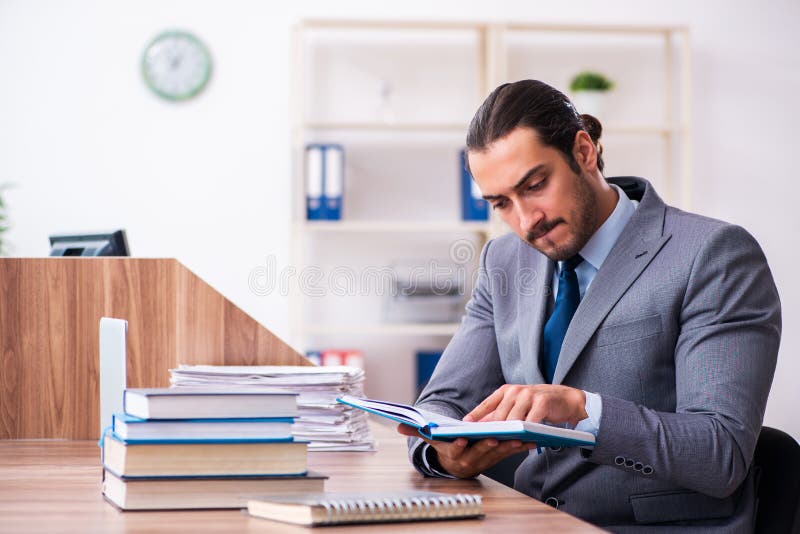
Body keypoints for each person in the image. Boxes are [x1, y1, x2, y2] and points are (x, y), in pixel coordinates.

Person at [399, 79, 781, 532]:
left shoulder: (713, 254)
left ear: (584, 152)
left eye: (536, 185)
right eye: (501, 203)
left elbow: (720, 453)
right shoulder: (503, 261)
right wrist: (443, 454)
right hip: (529, 522)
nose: (525, 220)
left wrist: (582, 410)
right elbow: (441, 403)